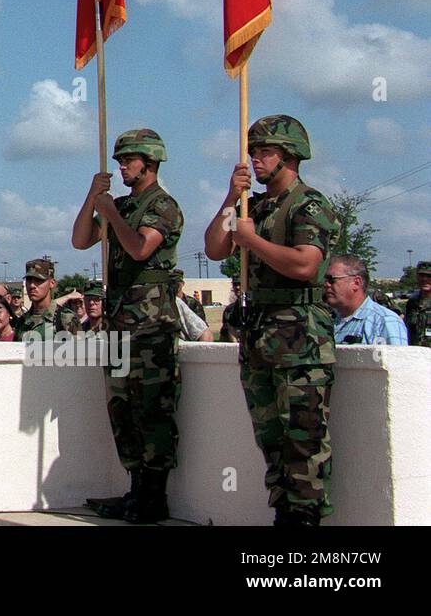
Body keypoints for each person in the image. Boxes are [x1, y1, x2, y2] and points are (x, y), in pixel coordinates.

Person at [204, 115, 338, 526]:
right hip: (261, 335)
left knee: (303, 436)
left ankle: (305, 516)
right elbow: (213, 249)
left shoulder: (308, 204)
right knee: (271, 437)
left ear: (291, 155)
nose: (256, 160)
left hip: (301, 337)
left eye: (266, 152)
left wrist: (252, 241)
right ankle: (284, 511)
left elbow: (305, 265)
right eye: (254, 152)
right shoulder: (253, 206)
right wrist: (231, 196)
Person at [72, 128, 184, 524]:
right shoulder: (120, 205)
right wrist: (94, 199)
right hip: (120, 324)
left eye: (129, 160)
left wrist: (112, 212)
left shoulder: (163, 206)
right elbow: (80, 240)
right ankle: (135, 490)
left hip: (151, 326)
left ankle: (154, 497)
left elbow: (139, 247)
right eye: (119, 159)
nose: (122, 166)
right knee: (123, 407)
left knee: (152, 408)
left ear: (150, 163)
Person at [325, 255, 407, 347]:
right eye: (325, 280)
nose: (326, 284)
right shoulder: (328, 322)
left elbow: (396, 359)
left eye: (332, 280)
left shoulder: (384, 321)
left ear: (356, 282)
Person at [15, 258, 77, 339]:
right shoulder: (22, 321)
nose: (32, 286)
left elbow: (79, 350)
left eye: (38, 280)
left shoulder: (66, 318)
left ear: (52, 283)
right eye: (29, 280)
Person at [402, 261, 431, 349]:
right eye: (422, 276)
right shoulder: (412, 302)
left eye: (429, 276)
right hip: (414, 356)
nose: (424, 279)